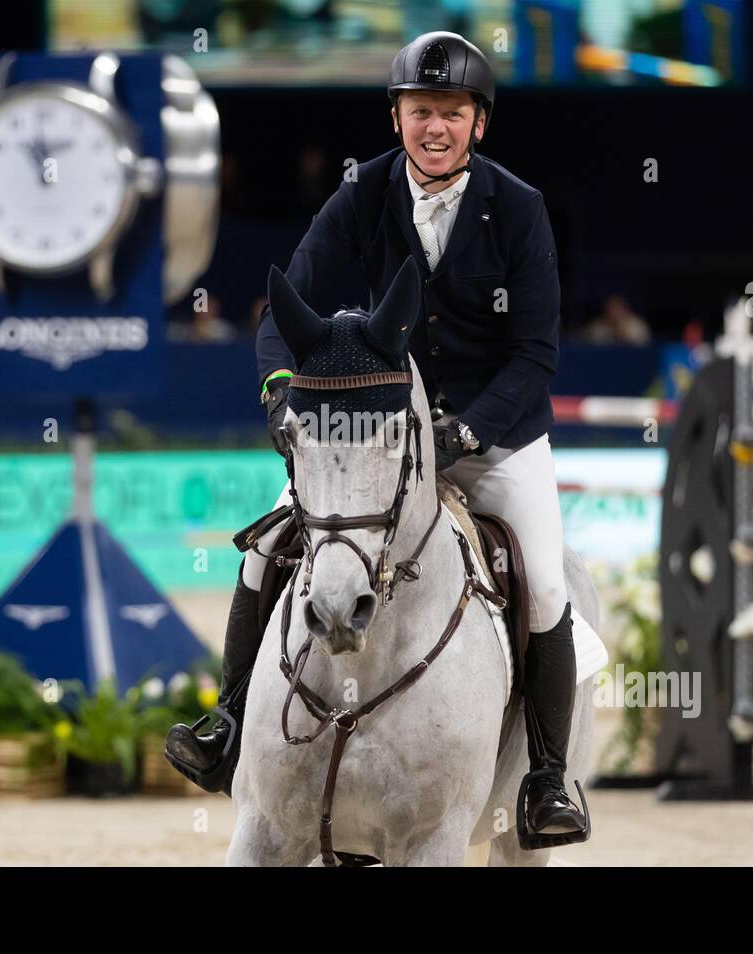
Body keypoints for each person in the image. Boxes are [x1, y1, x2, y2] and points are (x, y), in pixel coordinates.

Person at [166, 31, 587, 843]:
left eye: (452, 113)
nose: (436, 127)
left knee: (544, 578)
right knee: (268, 547)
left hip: (495, 436)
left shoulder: (520, 208)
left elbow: (536, 354)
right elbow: (284, 312)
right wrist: (281, 396)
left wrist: (467, 430)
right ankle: (225, 725)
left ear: (479, 124)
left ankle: (544, 781)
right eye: (421, 110)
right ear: (396, 117)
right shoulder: (362, 193)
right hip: (372, 434)